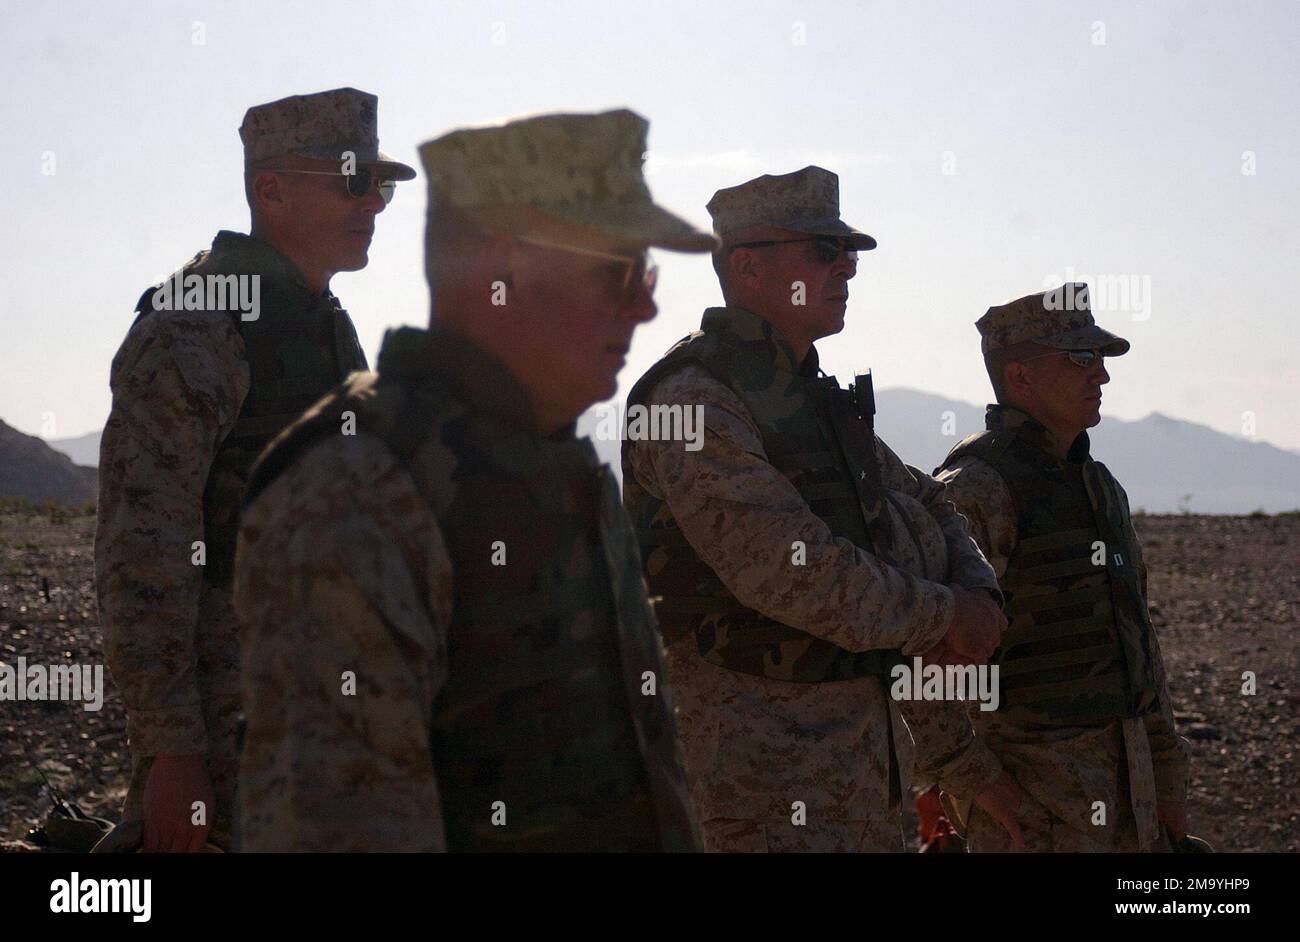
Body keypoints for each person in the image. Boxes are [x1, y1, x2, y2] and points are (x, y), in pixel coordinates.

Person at [234, 109, 713, 851]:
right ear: (501, 266)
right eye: (619, 271)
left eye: (646, 274)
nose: (647, 304)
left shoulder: (556, 459)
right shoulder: (357, 491)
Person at [622, 166, 1024, 852]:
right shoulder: (693, 400)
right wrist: (945, 618)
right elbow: (788, 569)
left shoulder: (812, 400)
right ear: (747, 267)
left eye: (852, 254)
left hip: (856, 770)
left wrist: (977, 592)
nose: (848, 270)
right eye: (824, 251)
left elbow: (928, 498)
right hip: (753, 779)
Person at [93, 87, 413, 852]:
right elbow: (143, 550)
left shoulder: (324, 327)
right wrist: (170, 751)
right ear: (270, 189)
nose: (374, 202)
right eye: (352, 180)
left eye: (383, 184)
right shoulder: (195, 325)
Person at [935, 284, 1192, 851]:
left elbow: (1137, 645)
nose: (1100, 375)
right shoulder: (977, 489)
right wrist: (976, 784)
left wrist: (1167, 778)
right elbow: (924, 656)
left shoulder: (1099, 487)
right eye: (1081, 358)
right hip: (1035, 809)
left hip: (1130, 797)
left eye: (1101, 359)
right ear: (1020, 377)